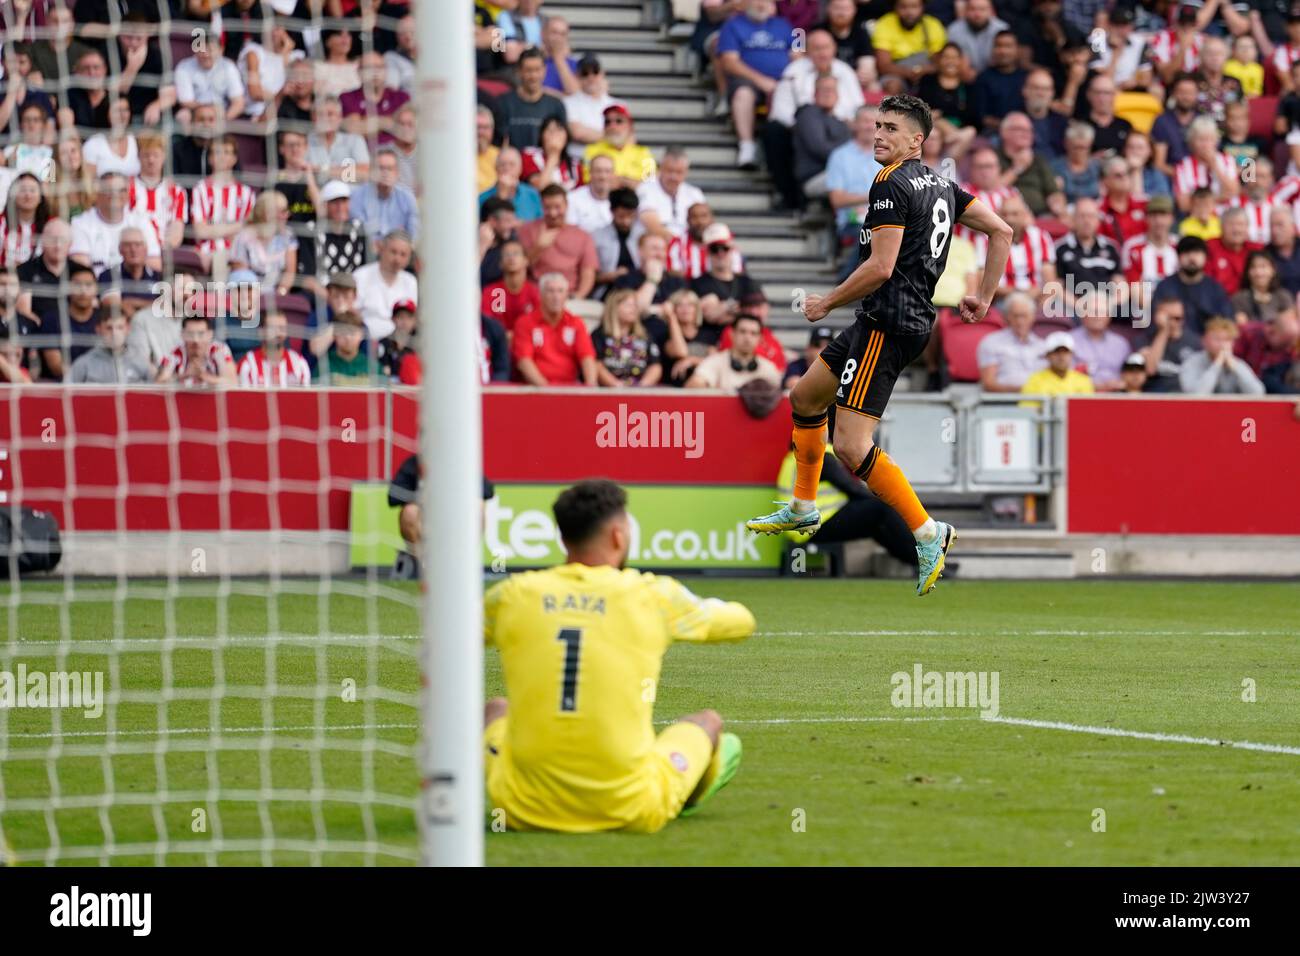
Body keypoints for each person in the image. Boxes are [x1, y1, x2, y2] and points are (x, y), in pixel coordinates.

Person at [746, 93, 1013, 597]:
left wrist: (826, 303)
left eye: (891, 128)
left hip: (888, 322)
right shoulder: (941, 186)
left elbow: (880, 266)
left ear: (917, 140)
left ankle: (929, 532)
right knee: (804, 398)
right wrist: (982, 297)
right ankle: (804, 507)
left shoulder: (890, 183)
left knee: (848, 445)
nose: (879, 134)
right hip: (892, 319)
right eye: (877, 125)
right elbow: (1003, 231)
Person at [483, 479, 753, 832]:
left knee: (495, 710)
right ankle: (681, 793)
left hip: (521, 811)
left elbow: (452, 634)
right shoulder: (653, 596)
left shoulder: (514, 594)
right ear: (617, 536)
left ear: (563, 539)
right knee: (708, 723)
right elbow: (742, 622)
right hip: (630, 810)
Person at [512, 273, 598, 386]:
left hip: (570, 388)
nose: (556, 297)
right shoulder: (525, 323)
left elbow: (587, 356)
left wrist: (591, 386)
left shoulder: (575, 322)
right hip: (536, 390)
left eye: (560, 291)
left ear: (567, 295)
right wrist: (547, 390)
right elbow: (524, 361)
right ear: (540, 294)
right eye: (550, 291)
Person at [685, 312, 780, 390]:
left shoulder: (768, 368)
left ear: (759, 338)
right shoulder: (714, 361)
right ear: (732, 334)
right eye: (742, 331)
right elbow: (694, 385)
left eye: (753, 333)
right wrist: (700, 383)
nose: (747, 338)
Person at [591, 289, 663, 387]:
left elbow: (655, 366)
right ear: (614, 308)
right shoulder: (599, 335)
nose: (633, 309)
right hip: (610, 392)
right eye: (628, 305)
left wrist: (642, 385)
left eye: (635, 306)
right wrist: (616, 385)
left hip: (640, 392)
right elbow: (596, 364)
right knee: (622, 403)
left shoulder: (645, 335)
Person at [976, 291, 1045, 392]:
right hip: (1004, 402)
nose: (1020, 321)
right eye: (1016, 316)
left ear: (1033, 317)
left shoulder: (1042, 345)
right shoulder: (991, 342)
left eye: (1024, 316)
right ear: (1007, 317)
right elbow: (988, 383)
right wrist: (1025, 390)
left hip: (1039, 402)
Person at [1179, 317, 1266, 395]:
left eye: (1227, 340)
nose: (1222, 345)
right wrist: (1217, 364)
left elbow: (1258, 393)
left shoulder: (1238, 364)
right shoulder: (1192, 362)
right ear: (1204, 341)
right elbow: (1196, 395)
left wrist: (1235, 367)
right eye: (1217, 339)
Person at [68, 311, 153, 384]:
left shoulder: (140, 361)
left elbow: (154, 393)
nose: (114, 333)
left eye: (120, 327)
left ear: (127, 329)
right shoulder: (83, 364)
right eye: (109, 328)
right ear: (98, 329)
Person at [156, 315, 238, 387]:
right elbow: (159, 382)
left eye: (201, 334)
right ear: (182, 335)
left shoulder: (220, 351)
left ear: (210, 335)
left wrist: (203, 376)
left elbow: (232, 382)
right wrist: (186, 375)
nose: (196, 340)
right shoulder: (175, 353)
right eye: (190, 334)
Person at [237, 312, 311, 387]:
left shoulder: (299, 363)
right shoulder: (248, 364)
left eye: (282, 328)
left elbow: (306, 397)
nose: (278, 333)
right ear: (261, 332)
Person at [1020, 331, 1095, 399]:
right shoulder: (1035, 381)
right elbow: (1027, 411)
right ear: (1047, 355)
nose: (1061, 356)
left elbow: (1090, 411)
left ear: (1072, 354)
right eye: (1056, 352)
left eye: (1065, 351)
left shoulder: (1084, 381)